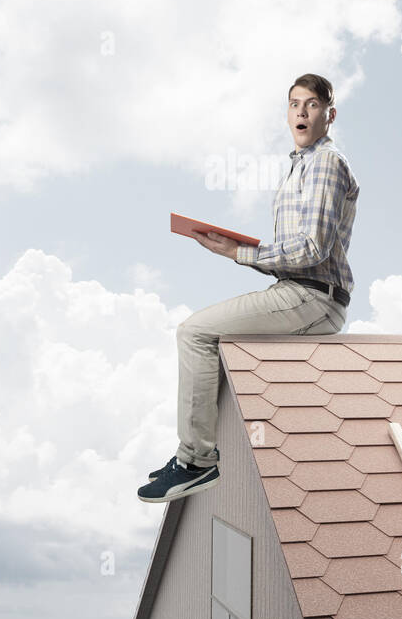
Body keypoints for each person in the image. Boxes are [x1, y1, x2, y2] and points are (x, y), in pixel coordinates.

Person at [137, 72, 359, 503]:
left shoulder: (326, 164)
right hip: (298, 291)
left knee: (194, 332)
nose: (301, 112)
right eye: (294, 104)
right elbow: (291, 254)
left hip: (313, 298)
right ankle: (193, 453)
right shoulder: (299, 167)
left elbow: (312, 249)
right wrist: (231, 248)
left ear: (329, 115)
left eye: (312, 104)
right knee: (203, 334)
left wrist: (241, 254)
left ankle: (197, 462)